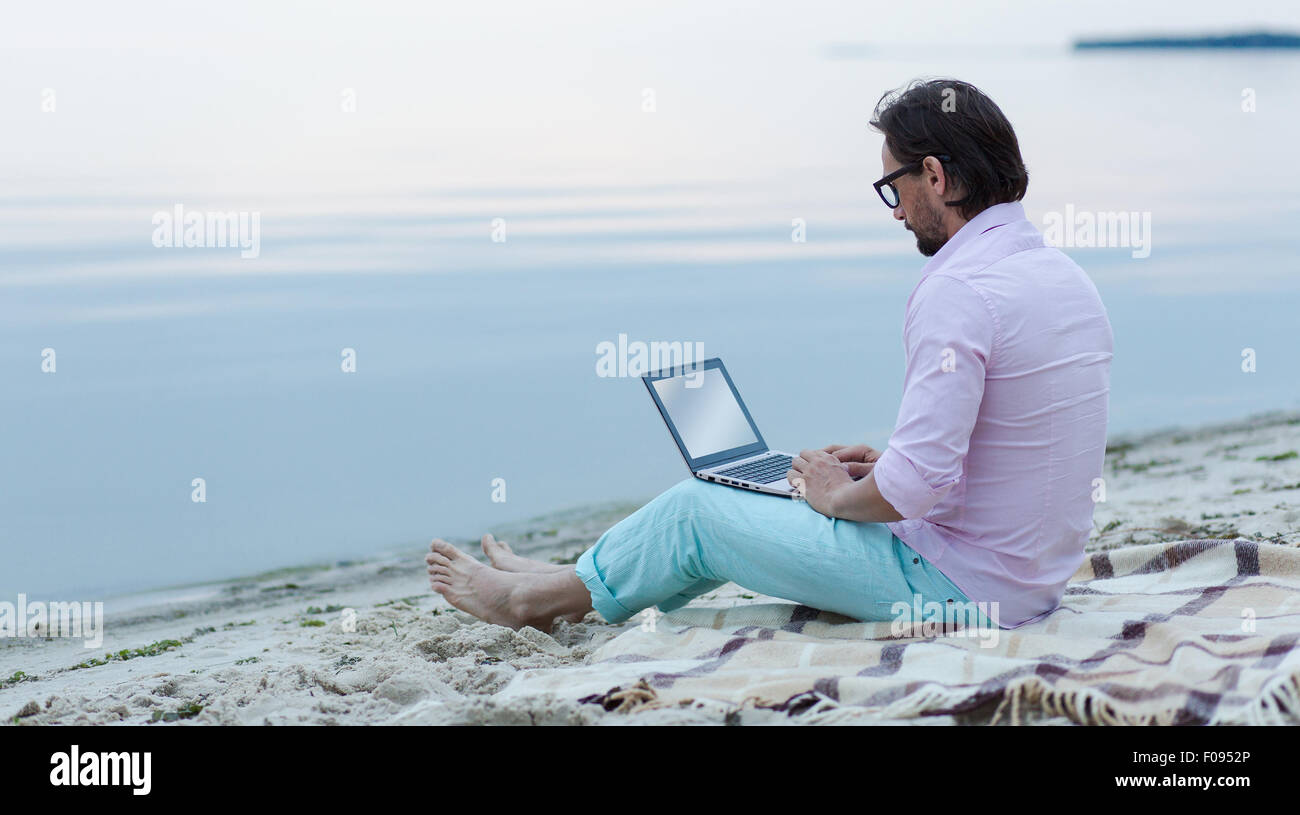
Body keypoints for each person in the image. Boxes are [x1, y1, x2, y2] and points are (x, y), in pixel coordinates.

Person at [425, 78, 1113, 632]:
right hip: (1029, 579)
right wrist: (884, 468)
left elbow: (919, 485)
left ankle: (525, 603)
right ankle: (576, 579)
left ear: (933, 175)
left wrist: (842, 495)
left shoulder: (958, 289)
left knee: (699, 510)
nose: (896, 211)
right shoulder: (1063, 278)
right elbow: (1016, 443)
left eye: (892, 188)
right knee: (738, 497)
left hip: (959, 589)